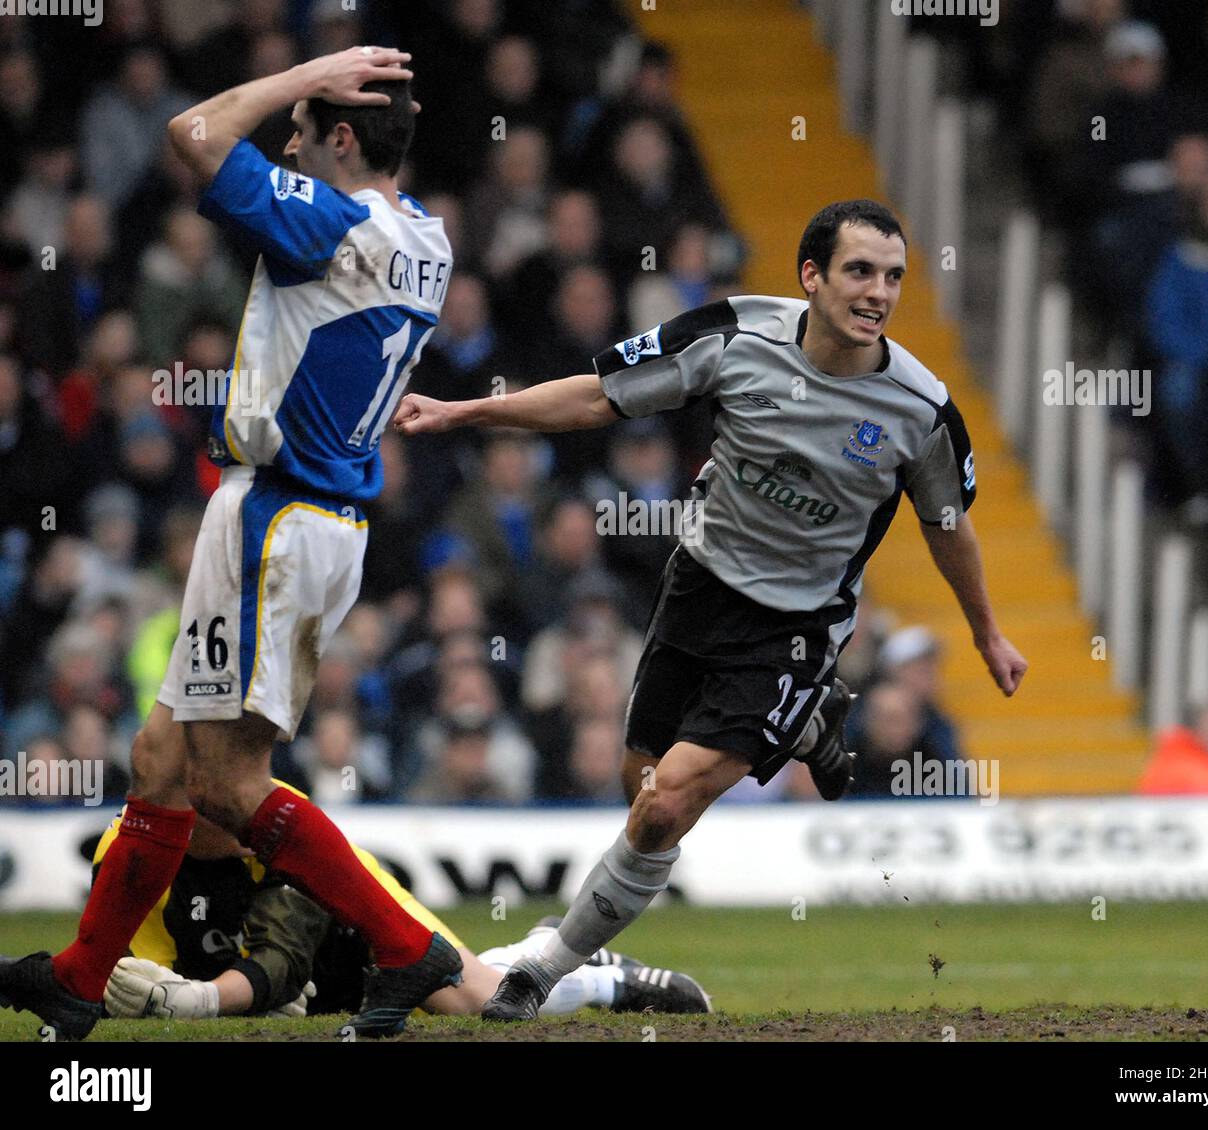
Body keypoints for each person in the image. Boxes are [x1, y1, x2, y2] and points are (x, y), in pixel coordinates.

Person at [394, 198, 1028, 1020]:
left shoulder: (920, 408)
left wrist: (985, 631)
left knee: (668, 802)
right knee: (641, 788)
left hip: (795, 626)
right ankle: (804, 727)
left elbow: (948, 526)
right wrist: (465, 411)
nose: (879, 292)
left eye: (894, 277)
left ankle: (541, 969)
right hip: (699, 585)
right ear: (812, 276)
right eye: (860, 271)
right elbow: (598, 397)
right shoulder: (732, 336)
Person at [0, 46, 458, 1042]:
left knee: (230, 785)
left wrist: (308, 69)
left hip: (280, 517)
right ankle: (81, 980)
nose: (286, 141)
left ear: (340, 136)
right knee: (160, 757)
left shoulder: (333, 220)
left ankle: (399, 945)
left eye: (302, 130)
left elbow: (192, 134)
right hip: (301, 514)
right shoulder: (426, 235)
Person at [95, 802, 710, 1022]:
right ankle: (543, 944)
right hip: (296, 984)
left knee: (479, 1002)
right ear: (179, 799)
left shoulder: (277, 824)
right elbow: (135, 984)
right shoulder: (126, 856)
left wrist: (208, 1000)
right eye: (219, 797)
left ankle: (610, 982)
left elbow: (279, 963)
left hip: (350, 933)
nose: (241, 803)